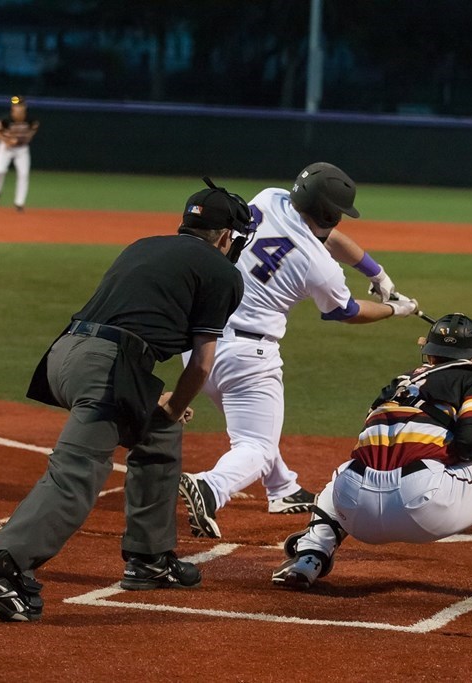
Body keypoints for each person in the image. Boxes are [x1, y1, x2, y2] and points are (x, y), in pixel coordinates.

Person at [0, 180, 253, 622]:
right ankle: (0, 572)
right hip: (107, 367)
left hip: (65, 355)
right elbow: (200, 366)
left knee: (159, 431)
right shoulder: (221, 272)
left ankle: (150, 557)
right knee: (76, 474)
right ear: (227, 236)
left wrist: (164, 410)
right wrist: (174, 403)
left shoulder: (143, 245)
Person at [270, 313, 472, 609]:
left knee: (347, 471)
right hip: (423, 506)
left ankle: (309, 558)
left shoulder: (398, 384)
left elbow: (373, 435)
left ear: (429, 353)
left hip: (355, 511)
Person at [178, 162, 419, 540]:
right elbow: (346, 311)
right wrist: (395, 308)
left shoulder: (269, 198)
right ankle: (211, 486)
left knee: (257, 428)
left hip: (200, 343)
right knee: (256, 444)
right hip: (248, 357)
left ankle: (283, 489)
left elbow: (327, 236)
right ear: (329, 212)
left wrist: (377, 275)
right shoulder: (317, 264)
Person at [0, 95, 39, 212]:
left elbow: (31, 134)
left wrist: (21, 140)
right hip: (5, 148)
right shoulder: (5, 120)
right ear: (12, 108)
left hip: (22, 149)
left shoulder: (31, 121)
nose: (17, 108)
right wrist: (7, 141)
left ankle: (19, 203)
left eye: (19, 106)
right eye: (15, 106)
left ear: (24, 108)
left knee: (23, 174)